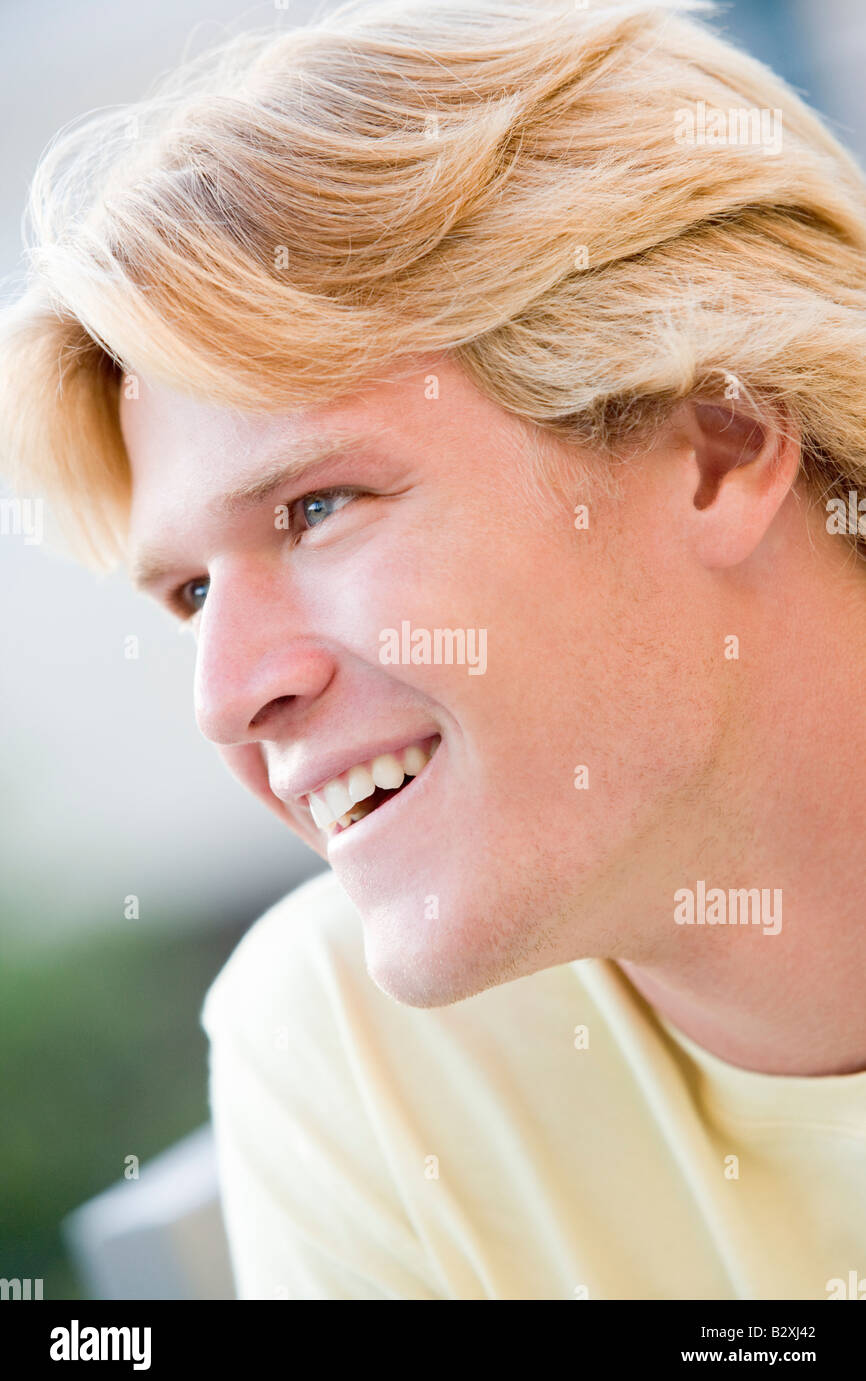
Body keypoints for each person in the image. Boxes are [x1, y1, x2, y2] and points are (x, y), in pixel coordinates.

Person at [2, 0, 866, 1299]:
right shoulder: (341, 1047)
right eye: (186, 595)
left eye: (317, 507)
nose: (230, 693)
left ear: (718, 444)